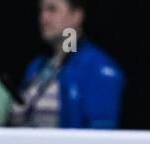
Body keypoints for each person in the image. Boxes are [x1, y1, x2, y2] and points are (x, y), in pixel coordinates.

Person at [9, 0, 125, 129]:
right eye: (41, 10)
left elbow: (100, 136)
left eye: (52, 9)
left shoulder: (96, 67)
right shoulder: (37, 66)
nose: (43, 18)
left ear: (76, 16)